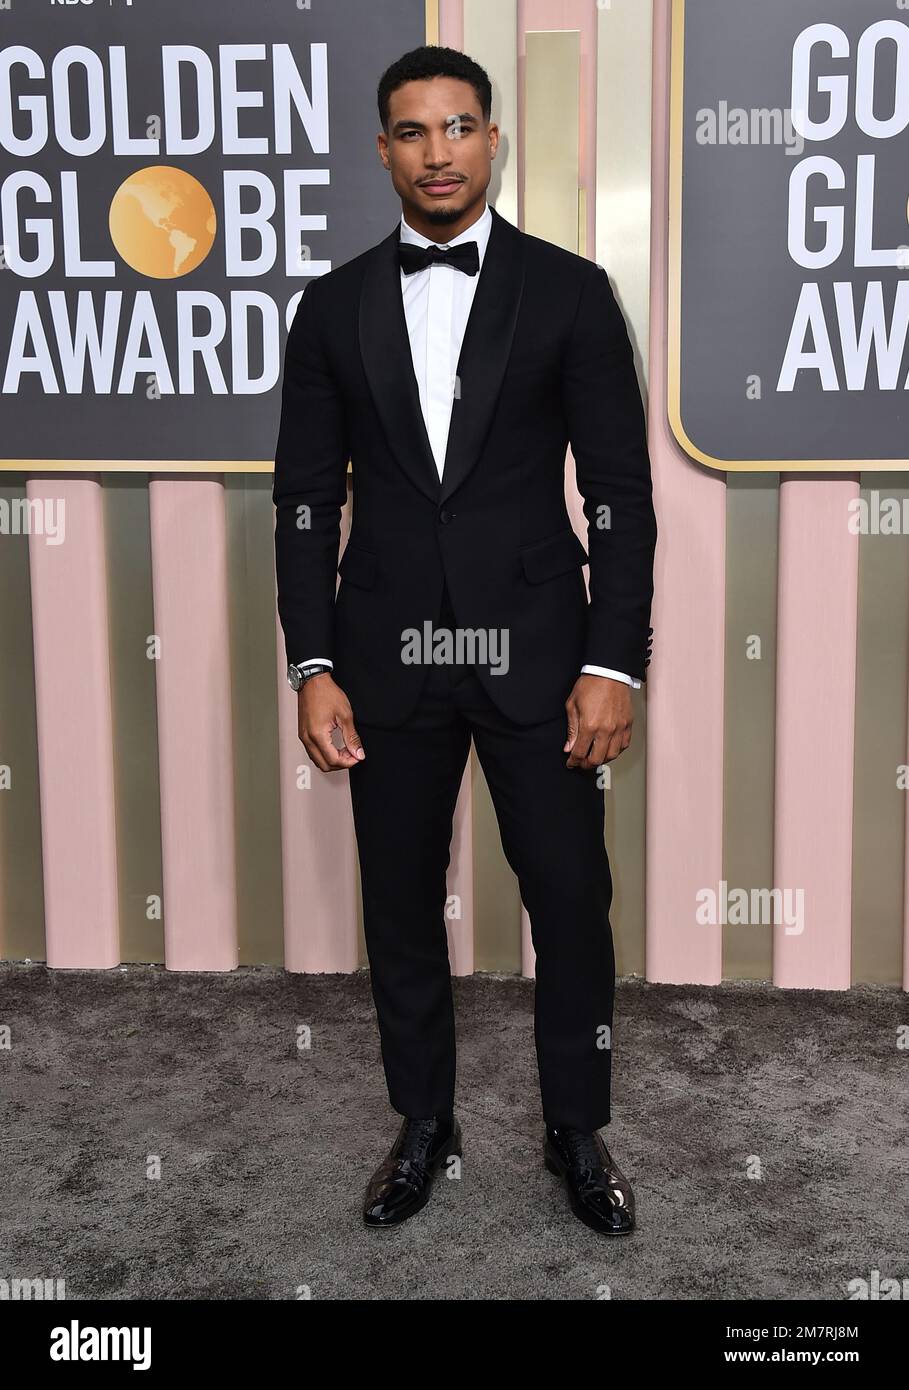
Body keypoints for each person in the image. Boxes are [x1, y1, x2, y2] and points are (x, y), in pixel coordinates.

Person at [273, 45, 656, 1236]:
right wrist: (312, 661)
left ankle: (575, 1128)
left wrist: (612, 661)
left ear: (492, 140)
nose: (437, 151)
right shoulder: (331, 305)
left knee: (570, 897)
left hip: (540, 653)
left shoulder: (573, 290)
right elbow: (298, 498)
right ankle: (423, 1123)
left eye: (458, 127)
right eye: (411, 131)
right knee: (398, 902)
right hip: (383, 657)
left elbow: (620, 496)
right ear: (382, 150)